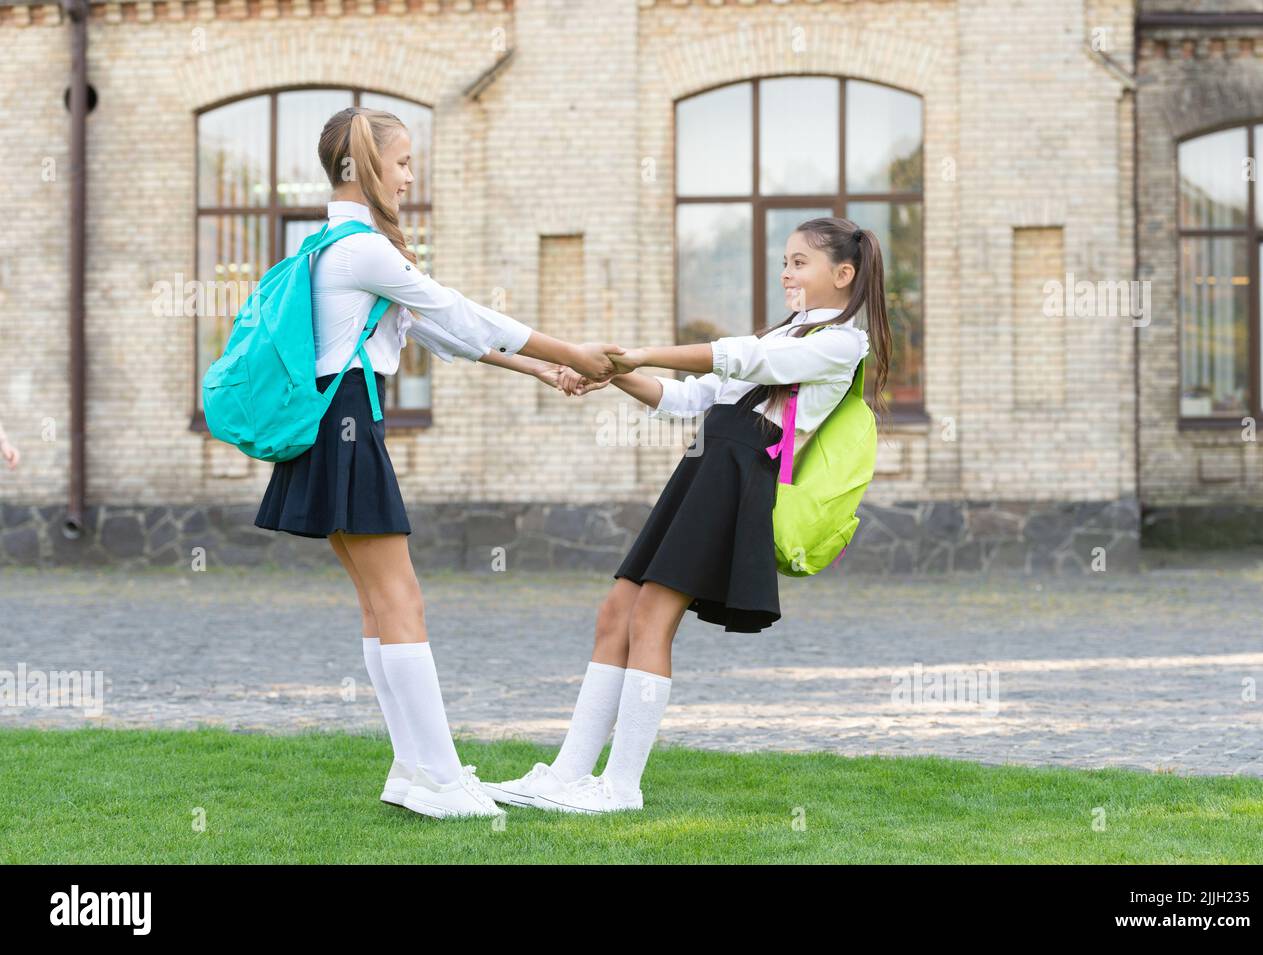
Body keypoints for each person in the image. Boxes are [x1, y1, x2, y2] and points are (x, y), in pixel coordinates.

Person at [252, 106, 623, 819]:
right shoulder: (363, 250)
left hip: (334, 426)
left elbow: (439, 330)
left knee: (378, 604)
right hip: (348, 422)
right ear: (362, 167)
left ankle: (411, 767)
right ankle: (442, 778)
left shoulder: (331, 246)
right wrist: (570, 351)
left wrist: (538, 372)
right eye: (401, 162)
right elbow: (460, 311)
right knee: (403, 601)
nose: (411, 175)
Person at [480, 217, 893, 813]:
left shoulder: (840, 344)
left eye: (800, 262)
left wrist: (636, 353)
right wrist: (616, 375)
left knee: (651, 618)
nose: (786, 272)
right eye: (786, 260)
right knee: (616, 610)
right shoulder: (791, 333)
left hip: (737, 477)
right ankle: (567, 773)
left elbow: (741, 359)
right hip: (705, 468)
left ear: (843, 274)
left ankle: (620, 787)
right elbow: (686, 398)